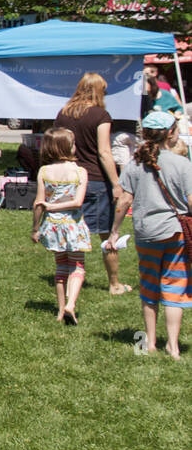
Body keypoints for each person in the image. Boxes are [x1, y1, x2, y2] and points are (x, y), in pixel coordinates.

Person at [108, 111, 192, 358]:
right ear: (171, 133)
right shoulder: (182, 163)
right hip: (176, 233)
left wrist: (114, 232)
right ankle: (173, 346)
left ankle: (150, 343)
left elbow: (124, 201)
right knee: (175, 286)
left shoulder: (135, 163)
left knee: (149, 285)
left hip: (146, 234)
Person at [54, 73, 127, 296]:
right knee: (107, 235)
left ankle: (70, 279)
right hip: (95, 180)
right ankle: (114, 284)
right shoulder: (100, 115)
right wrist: (116, 183)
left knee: (72, 231)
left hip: (69, 179)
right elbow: (104, 152)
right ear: (97, 91)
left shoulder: (63, 113)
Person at [32, 127, 91, 324]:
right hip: (73, 225)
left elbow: (38, 204)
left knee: (60, 268)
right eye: (73, 144)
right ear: (66, 147)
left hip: (53, 225)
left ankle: (59, 311)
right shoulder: (80, 172)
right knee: (77, 266)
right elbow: (77, 202)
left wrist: (35, 228)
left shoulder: (44, 171)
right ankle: (70, 304)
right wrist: (55, 205)